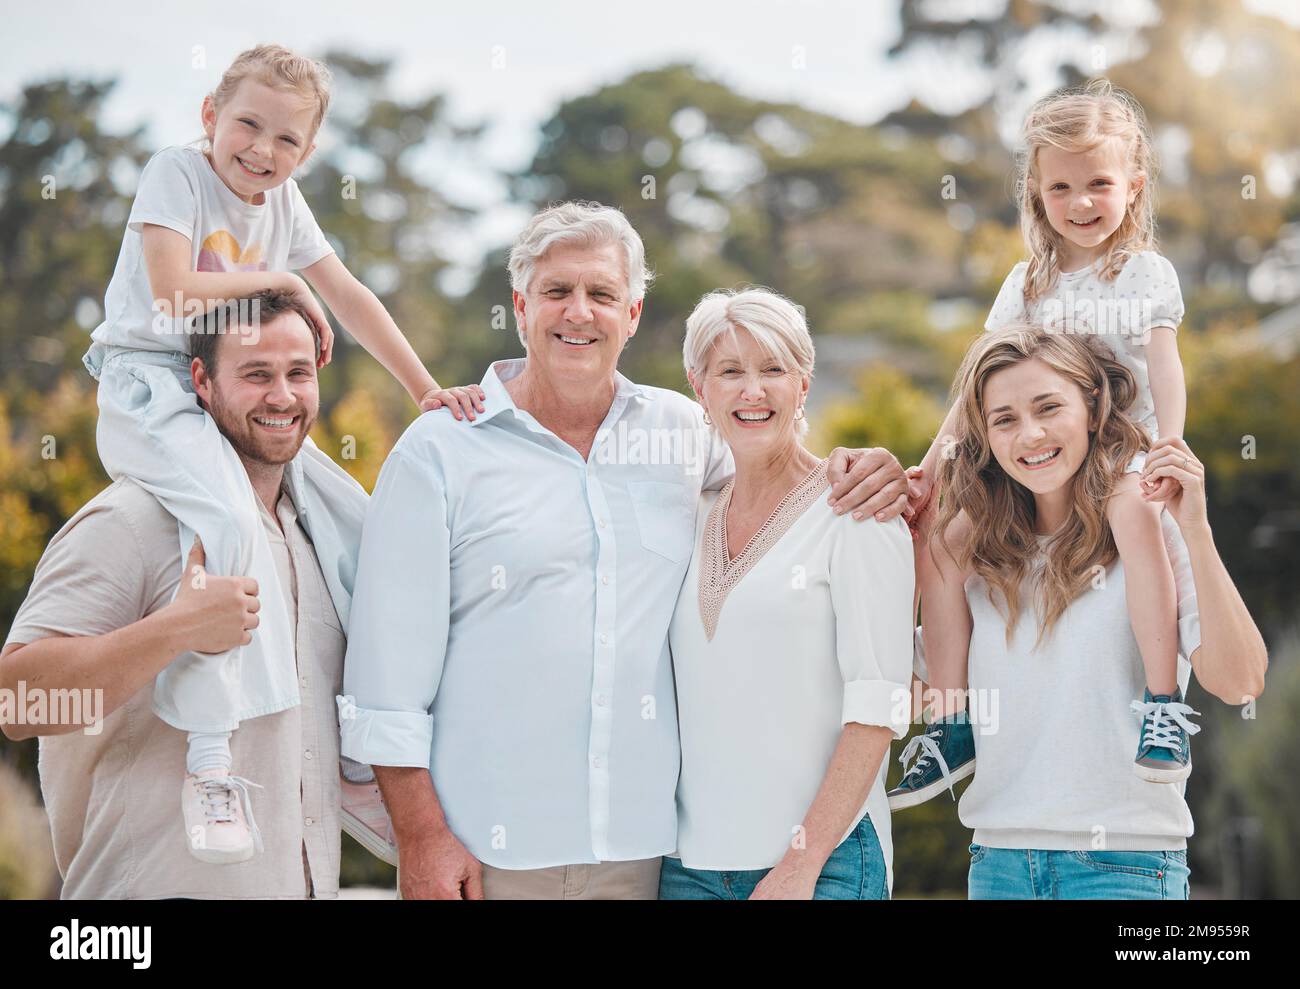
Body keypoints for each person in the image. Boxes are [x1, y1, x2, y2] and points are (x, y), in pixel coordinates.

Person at [337, 201, 911, 900]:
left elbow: (777, 483)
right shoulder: (440, 451)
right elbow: (384, 679)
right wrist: (423, 836)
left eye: (602, 294)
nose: (579, 311)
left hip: (645, 857)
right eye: (557, 292)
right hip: (488, 852)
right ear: (520, 307)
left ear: (632, 314)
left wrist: (867, 467)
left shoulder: (679, 433)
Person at [82, 44, 479, 862]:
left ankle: (354, 745)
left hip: (232, 390)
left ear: (307, 151)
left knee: (356, 523)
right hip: (152, 385)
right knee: (232, 520)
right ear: (210, 117)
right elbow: (169, 289)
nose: (262, 151)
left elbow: (351, 295)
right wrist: (284, 287)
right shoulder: (176, 173)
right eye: (248, 126)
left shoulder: (284, 201)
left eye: (287, 141)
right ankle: (210, 755)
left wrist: (425, 390)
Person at [896, 79, 1196, 808]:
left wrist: (1171, 443)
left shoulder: (1147, 273)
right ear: (1036, 191)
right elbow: (981, 382)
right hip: (1033, 457)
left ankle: (1162, 705)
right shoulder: (1025, 283)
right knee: (943, 542)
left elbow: (1163, 366)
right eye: (1061, 186)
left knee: (1134, 519)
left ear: (1134, 183)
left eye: (1100, 182)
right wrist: (933, 464)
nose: (1082, 201)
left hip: (1120, 445)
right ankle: (952, 716)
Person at [1, 291, 358, 897]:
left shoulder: (321, 537)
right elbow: (21, 704)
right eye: (255, 374)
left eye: (298, 373)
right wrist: (177, 629)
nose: (282, 397)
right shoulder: (132, 521)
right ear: (201, 380)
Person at [917, 325, 1266, 898]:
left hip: (1125, 867)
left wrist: (1196, 530)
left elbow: (1240, 682)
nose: (1030, 435)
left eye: (1048, 407)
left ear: (1093, 407)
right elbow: (906, 680)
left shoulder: (1149, 529)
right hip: (999, 865)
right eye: (1004, 419)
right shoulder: (975, 555)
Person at [659, 289, 913, 900]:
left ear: (803, 385)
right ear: (699, 387)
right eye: (730, 372)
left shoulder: (858, 510)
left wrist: (799, 868)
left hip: (823, 866)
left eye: (773, 369)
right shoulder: (683, 514)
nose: (753, 391)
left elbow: (877, 710)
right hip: (686, 866)